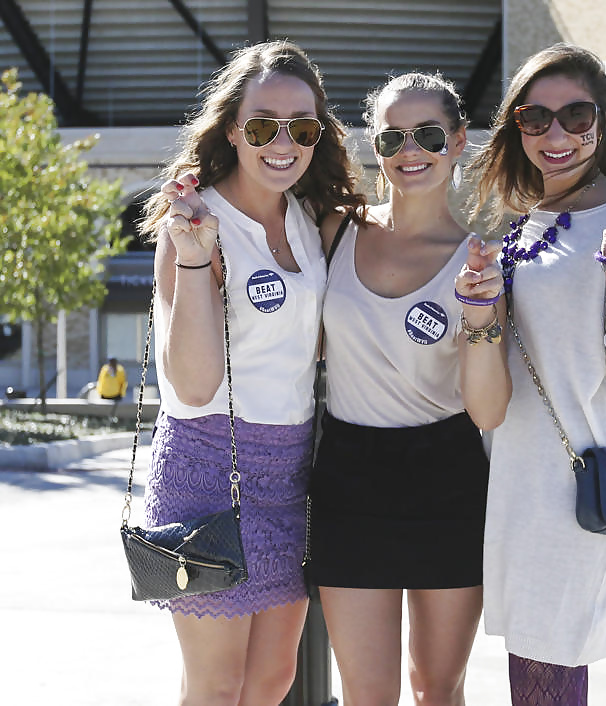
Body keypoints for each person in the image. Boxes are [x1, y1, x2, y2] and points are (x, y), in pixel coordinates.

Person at [137, 40, 364, 705]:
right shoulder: (196, 221)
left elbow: (315, 346)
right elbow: (196, 384)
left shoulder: (305, 220)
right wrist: (191, 255)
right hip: (209, 464)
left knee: (270, 682)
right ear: (234, 129)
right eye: (263, 125)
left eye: (302, 127)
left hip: (288, 473)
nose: (282, 142)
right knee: (217, 687)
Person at [464, 43, 606, 704]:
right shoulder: (519, 228)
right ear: (514, 127)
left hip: (576, 494)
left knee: (548, 683)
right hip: (510, 488)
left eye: (575, 114)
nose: (555, 135)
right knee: (527, 676)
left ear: (601, 123)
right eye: (534, 118)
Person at [307, 72, 511, 706]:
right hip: (348, 475)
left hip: (446, 476)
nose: (410, 150)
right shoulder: (334, 231)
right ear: (376, 145)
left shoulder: (480, 259)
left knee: (437, 689)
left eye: (427, 134)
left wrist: (480, 318)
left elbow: (488, 408)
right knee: (367, 694)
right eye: (393, 136)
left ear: (457, 142)